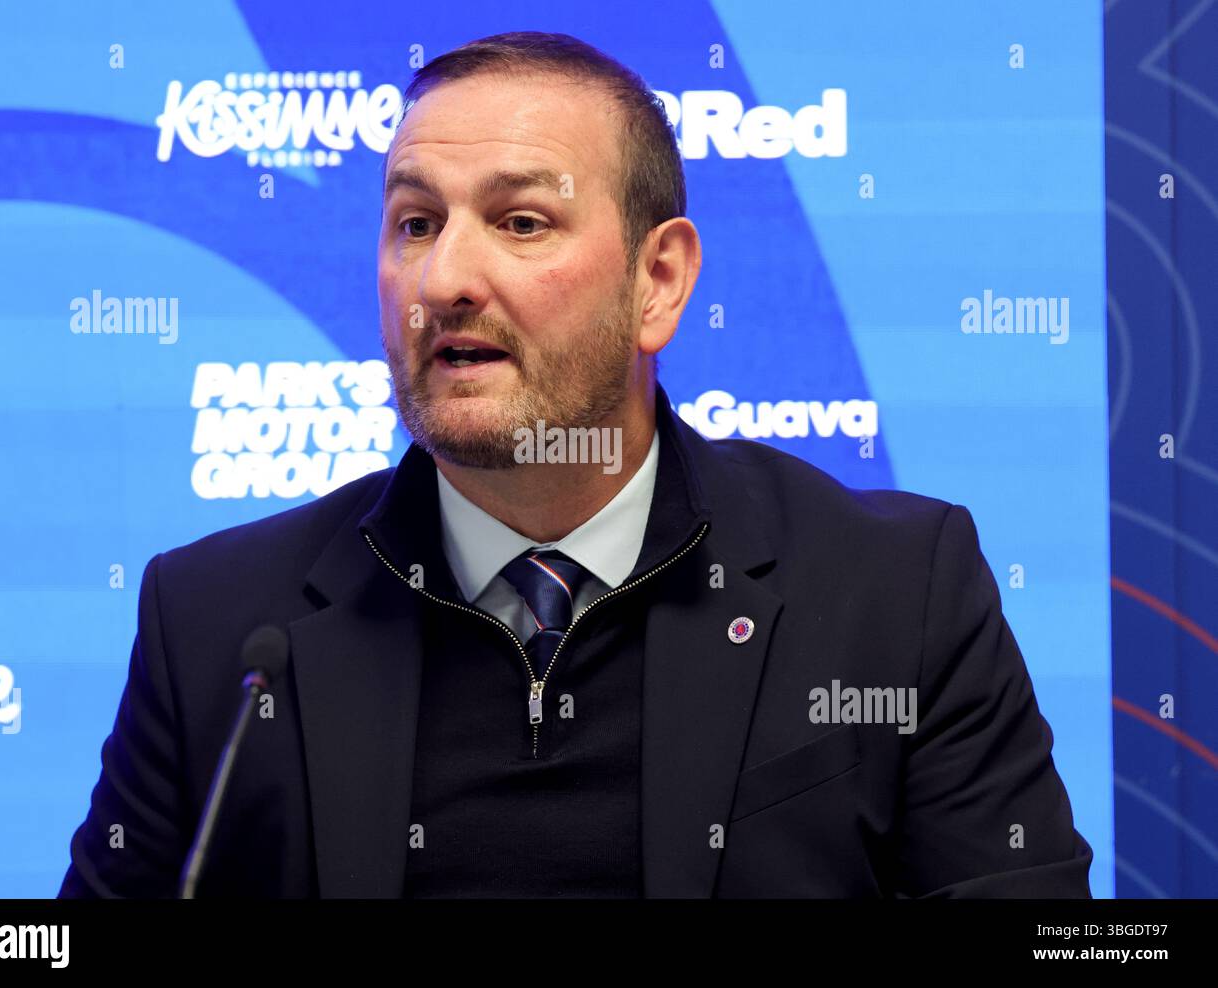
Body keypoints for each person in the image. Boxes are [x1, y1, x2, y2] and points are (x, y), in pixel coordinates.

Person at [59, 31, 1092, 898]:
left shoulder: (892, 596)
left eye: (520, 222)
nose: (447, 276)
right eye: (415, 223)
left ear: (660, 281)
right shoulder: (221, 627)